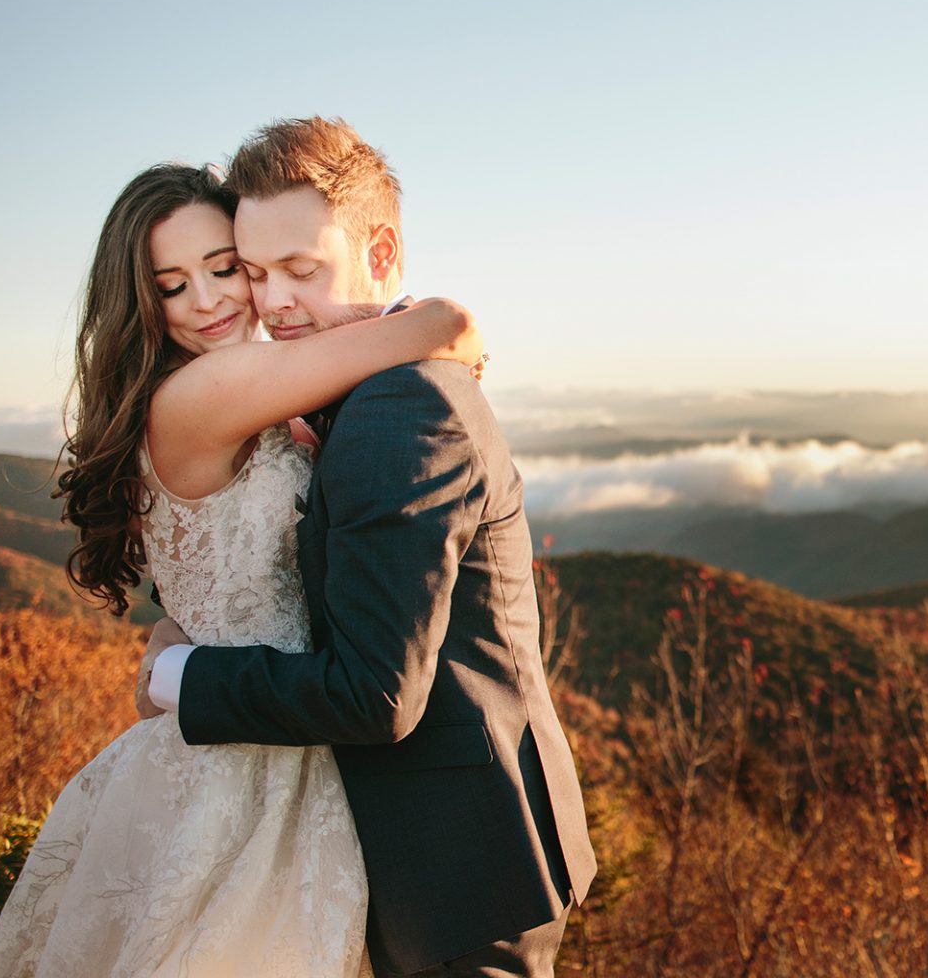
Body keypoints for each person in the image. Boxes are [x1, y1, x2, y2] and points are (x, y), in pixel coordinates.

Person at [0, 163, 487, 977]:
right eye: (172, 285)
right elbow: (442, 322)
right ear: (141, 301)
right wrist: (450, 332)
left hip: (261, 727)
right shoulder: (210, 388)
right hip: (253, 765)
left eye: (227, 269)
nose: (210, 300)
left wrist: (174, 643)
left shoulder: (233, 395)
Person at [137, 118, 597, 978]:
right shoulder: (351, 389)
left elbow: (376, 696)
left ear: (380, 252)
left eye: (302, 271)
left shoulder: (397, 405)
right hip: (439, 845)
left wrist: (179, 675)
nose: (271, 303)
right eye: (256, 271)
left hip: (454, 864)